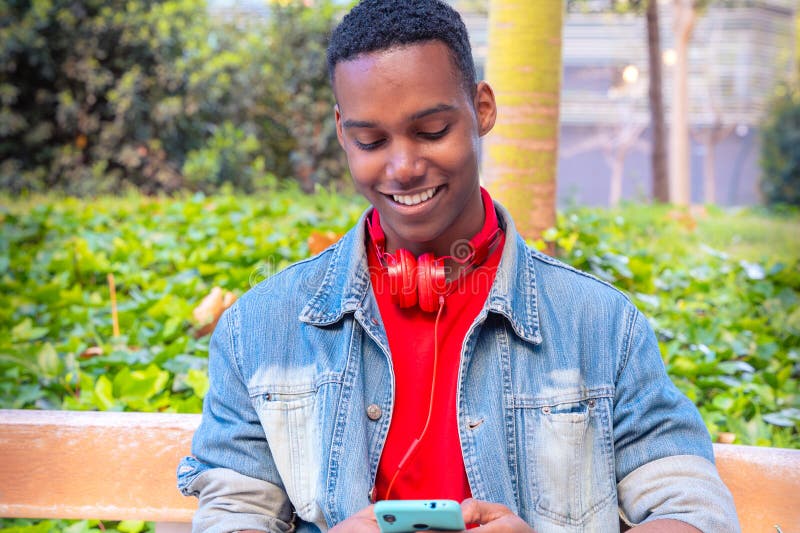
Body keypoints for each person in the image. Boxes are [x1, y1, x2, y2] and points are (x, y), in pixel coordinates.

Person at [177, 1, 740, 531]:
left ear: (483, 108)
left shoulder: (602, 327)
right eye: (370, 140)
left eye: (432, 131)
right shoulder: (258, 329)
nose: (402, 167)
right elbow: (233, 512)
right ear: (342, 132)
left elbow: (691, 507)